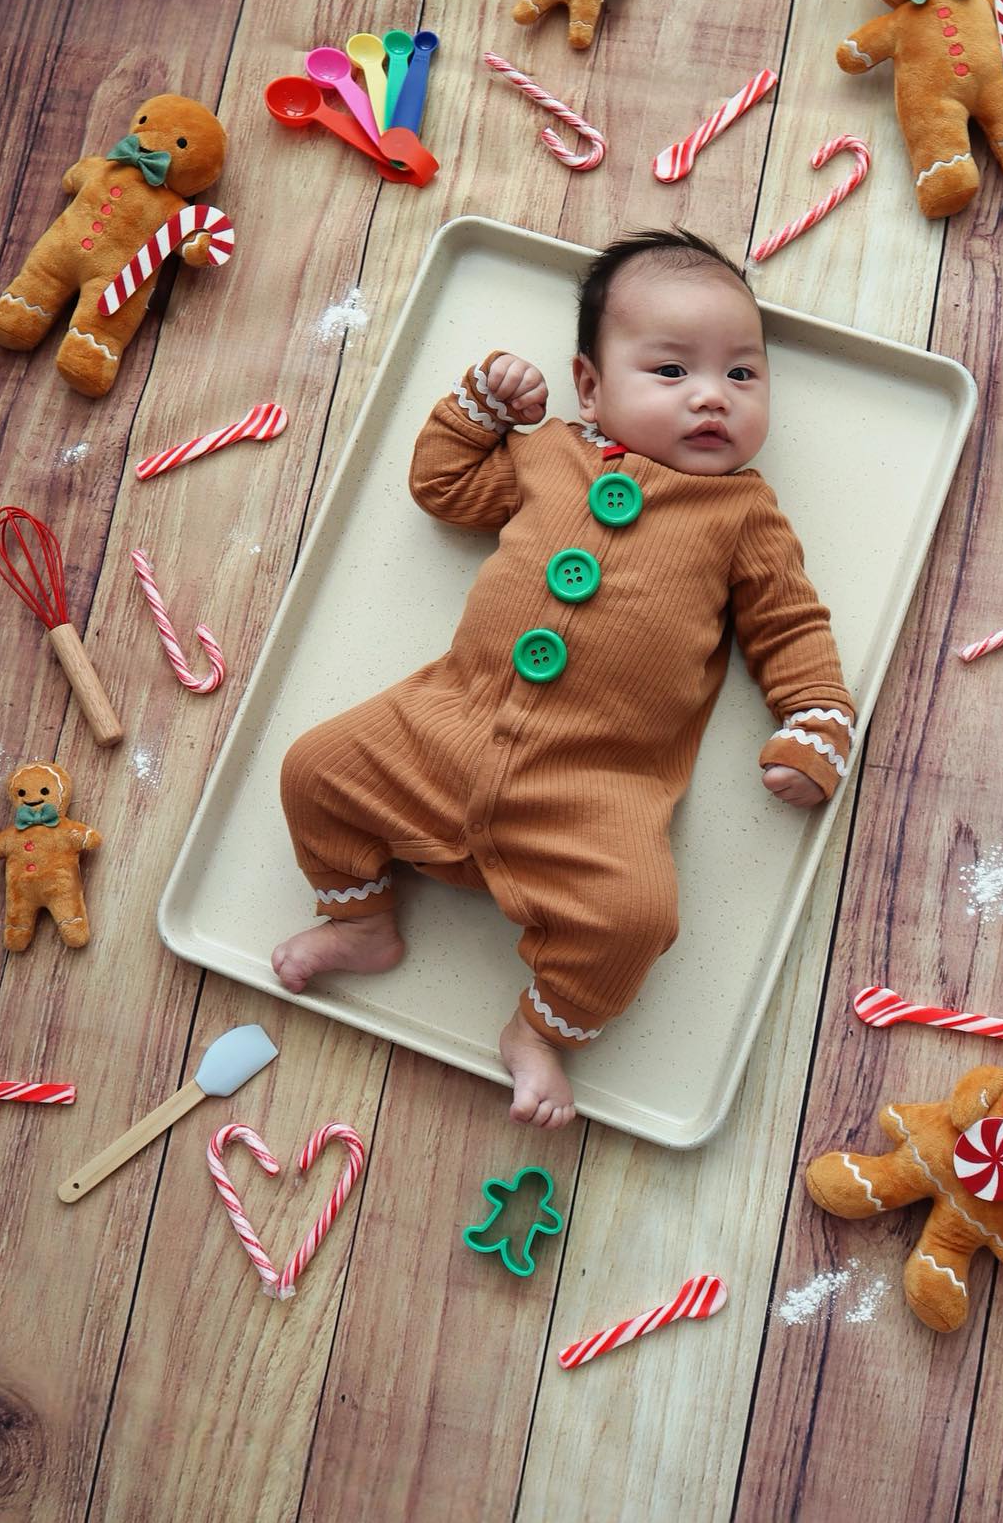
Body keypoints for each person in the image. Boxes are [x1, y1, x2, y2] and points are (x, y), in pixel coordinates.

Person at [274, 229, 854, 1128]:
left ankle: (541, 1031)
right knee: (314, 766)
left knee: (637, 917)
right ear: (590, 385)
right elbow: (446, 489)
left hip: (596, 788)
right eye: (670, 371)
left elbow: (789, 623)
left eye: (744, 375)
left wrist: (816, 717)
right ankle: (361, 922)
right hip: (443, 727)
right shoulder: (547, 454)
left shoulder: (742, 513)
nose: (712, 396)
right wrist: (481, 409)